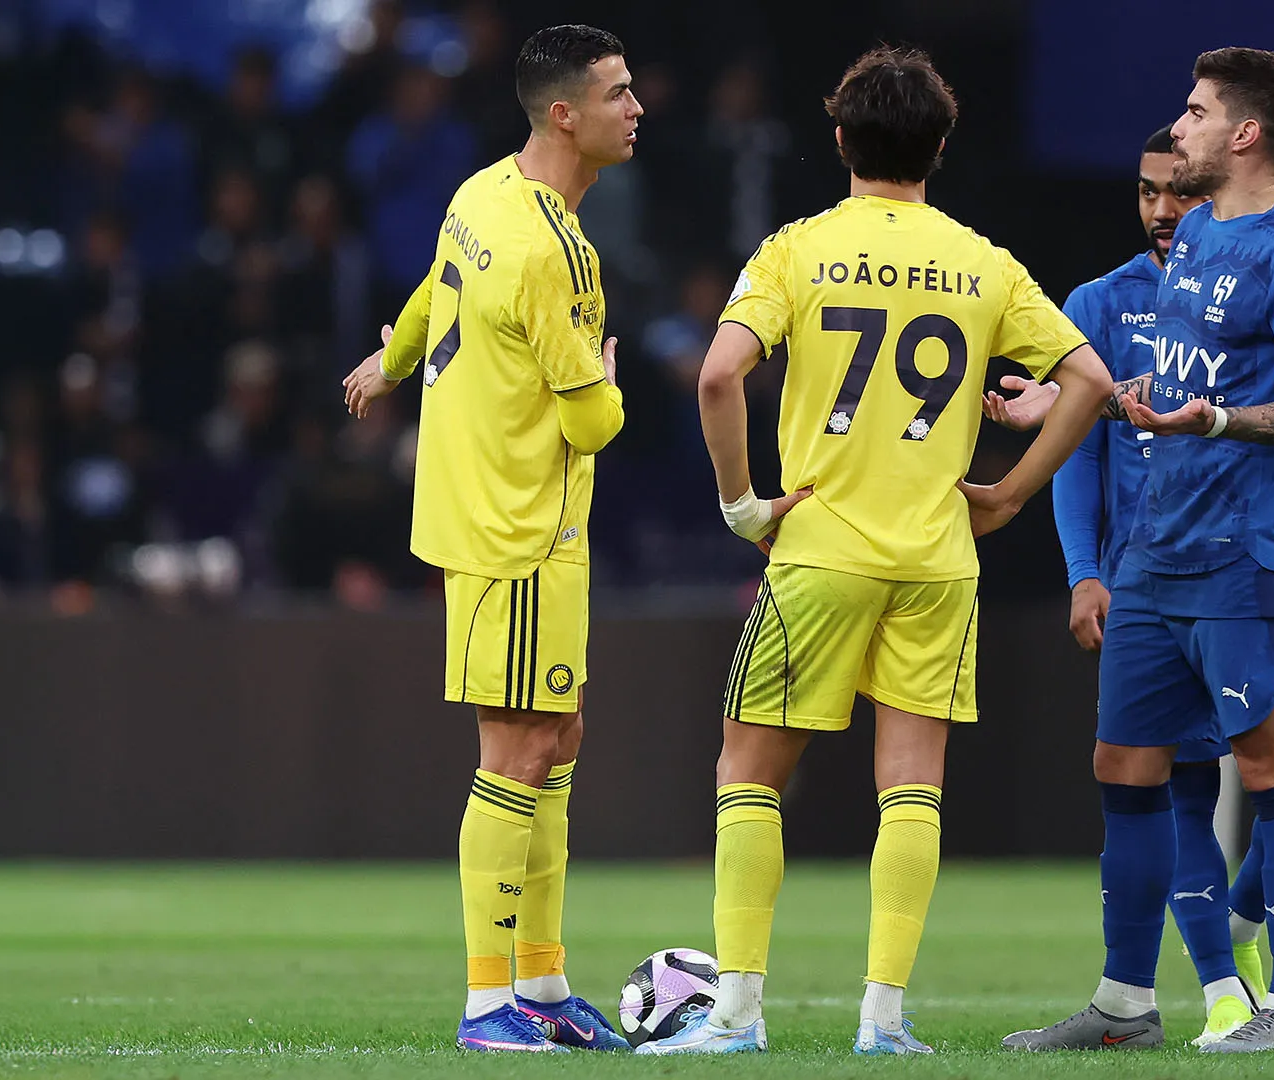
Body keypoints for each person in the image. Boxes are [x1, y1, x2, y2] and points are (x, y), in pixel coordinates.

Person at [634, 46, 1113, 1057]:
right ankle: (883, 1022)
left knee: (749, 775)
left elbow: (719, 377)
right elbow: (1091, 384)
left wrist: (741, 505)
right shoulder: (983, 261)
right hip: (937, 558)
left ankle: (736, 1016)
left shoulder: (797, 248)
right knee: (913, 787)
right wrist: (1014, 492)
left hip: (819, 549)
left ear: (841, 140)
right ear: (939, 145)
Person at [1002, 48, 1274, 1055]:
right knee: (1124, 763)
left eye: (1197, 113)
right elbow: (1158, 385)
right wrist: (1060, 401)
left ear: (1244, 135)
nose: (1181, 127)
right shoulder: (1195, 235)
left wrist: (1222, 421)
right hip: (1156, 549)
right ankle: (1123, 1006)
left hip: (1247, 553)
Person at [340, 24, 642, 1054]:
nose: (636, 108)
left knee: (558, 738)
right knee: (516, 750)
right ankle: (486, 1004)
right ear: (567, 115)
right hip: (518, 524)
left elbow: (435, 282)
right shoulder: (556, 251)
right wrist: (607, 381)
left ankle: (544, 983)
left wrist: (394, 359)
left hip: (508, 516)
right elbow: (592, 424)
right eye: (618, 93)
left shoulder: (481, 193)